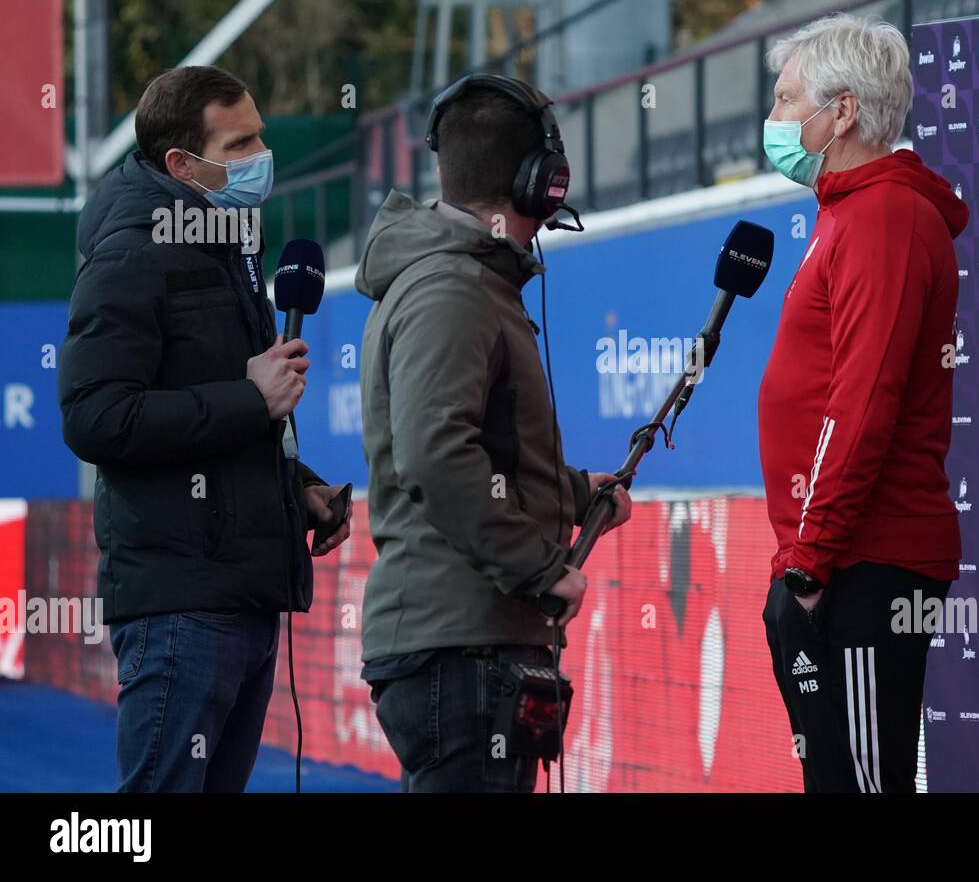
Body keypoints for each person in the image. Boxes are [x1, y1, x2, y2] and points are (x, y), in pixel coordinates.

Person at [58, 65, 351, 792]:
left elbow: (224, 412)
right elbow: (95, 416)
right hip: (181, 602)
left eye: (260, 134)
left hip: (242, 592)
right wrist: (250, 400)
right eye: (242, 140)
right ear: (182, 165)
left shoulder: (228, 243)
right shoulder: (131, 253)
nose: (262, 154)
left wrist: (298, 488)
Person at [356, 74, 631, 793]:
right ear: (538, 181)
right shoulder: (452, 289)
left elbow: (479, 444)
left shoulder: (465, 282)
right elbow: (436, 453)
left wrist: (569, 492)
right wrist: (539, 571)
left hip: (469, 643)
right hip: (460, 648)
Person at [756, 14, 968, 792]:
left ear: (841, 112)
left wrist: (809, 559)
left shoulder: (883, 215)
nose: (773, 122)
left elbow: (863, 399)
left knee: (863, 788)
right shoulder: (850, 211)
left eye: (786, 101)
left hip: (864, 563)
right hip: (839, 558)